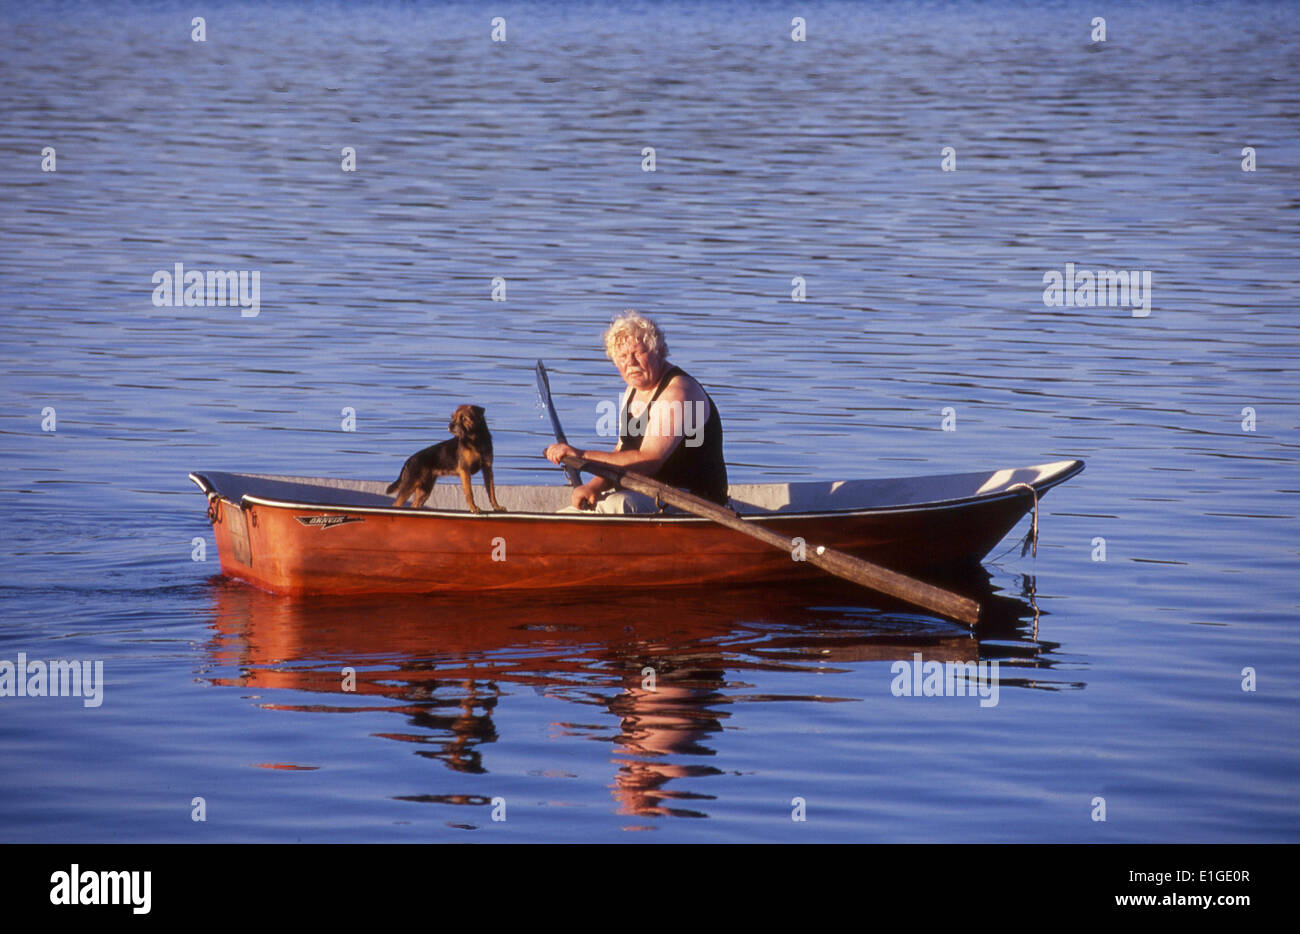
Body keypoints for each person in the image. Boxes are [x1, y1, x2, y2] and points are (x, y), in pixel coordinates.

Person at [544, 310, 728, 512]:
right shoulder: (633, 390)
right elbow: (621, 454)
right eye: (622, 356)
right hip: (650, 493)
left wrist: (581, 455)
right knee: (570, 513)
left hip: (697, 502)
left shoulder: (679, 392)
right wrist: (594, 486)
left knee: (617, 504)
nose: (630, 363)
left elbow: (649, 460)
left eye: (638, 353)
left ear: (658, 351)